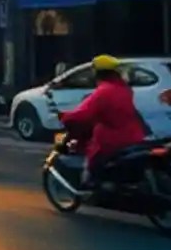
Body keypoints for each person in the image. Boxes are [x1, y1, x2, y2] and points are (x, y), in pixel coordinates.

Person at [59, 54, 146, 186]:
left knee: (93, 160)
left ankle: (91, 183)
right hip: (135, 135)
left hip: (112, 139)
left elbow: (82, 114)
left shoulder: (103, 92)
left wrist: (64, 116)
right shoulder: (125, 89)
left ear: (97, 73)